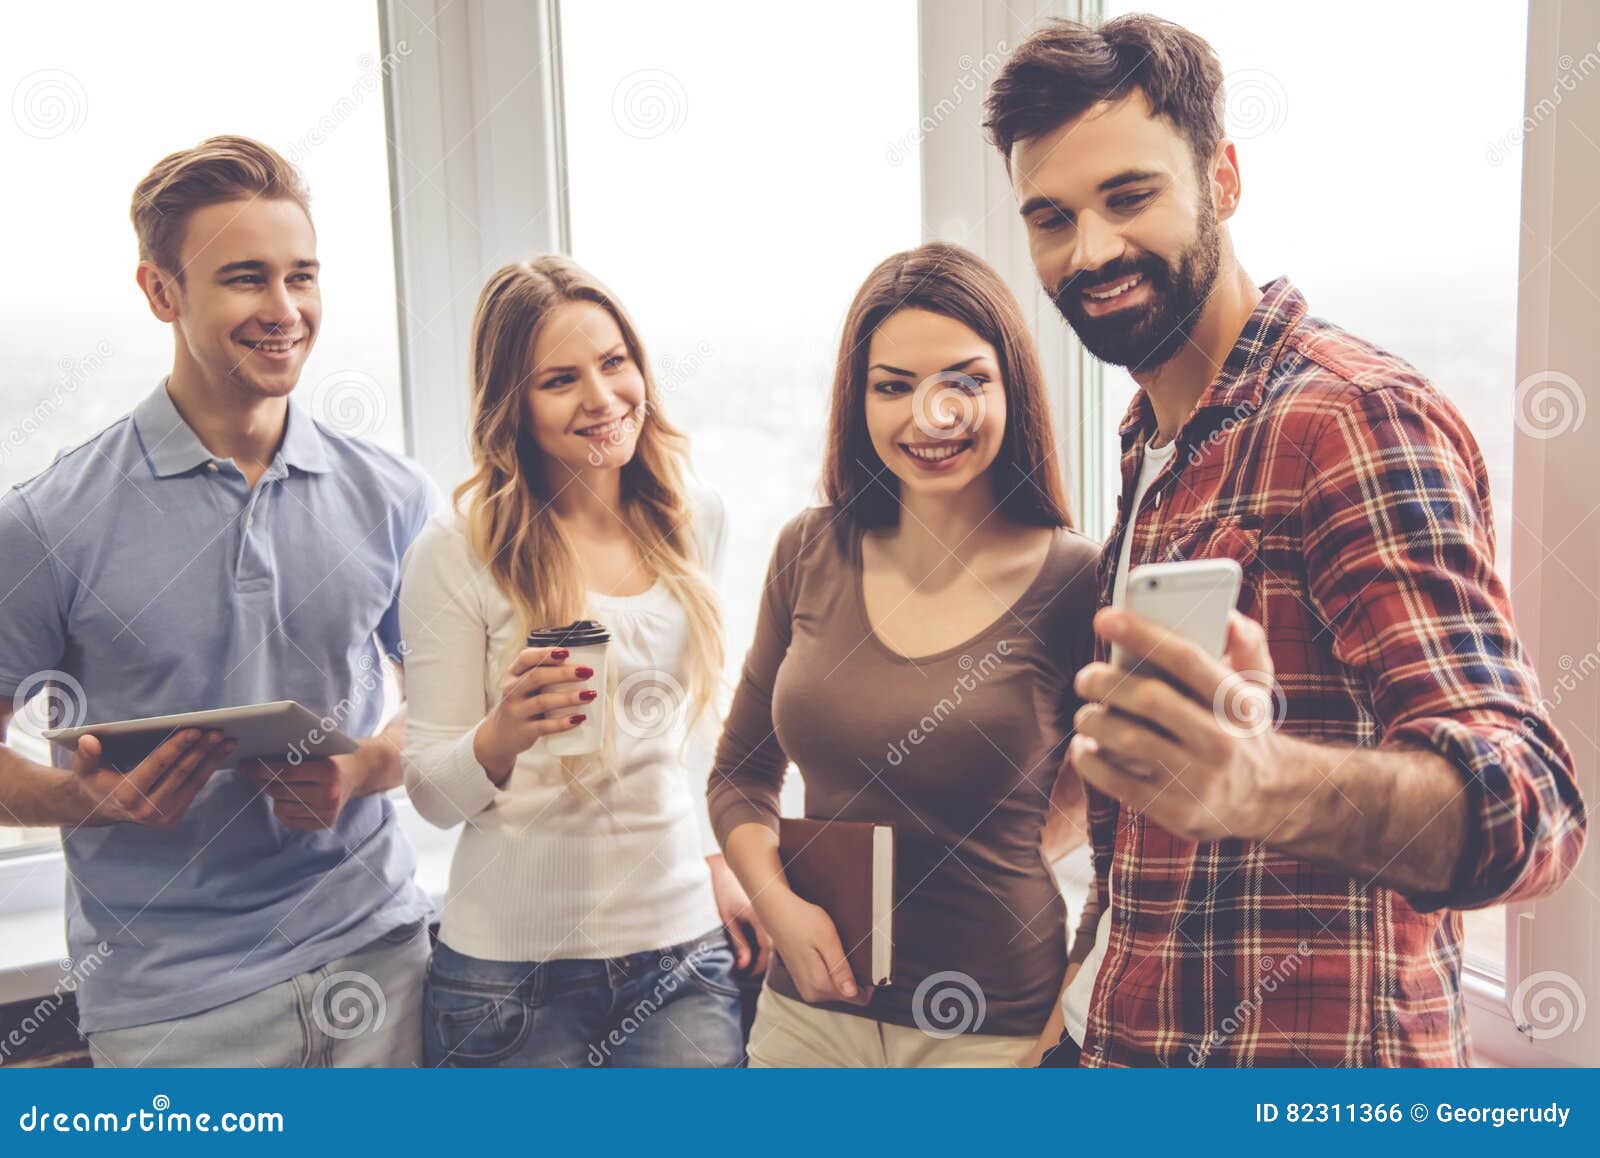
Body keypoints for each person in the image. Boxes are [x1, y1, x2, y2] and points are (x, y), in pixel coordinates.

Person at [985, 14, 1587, 1066]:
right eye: (1051, 218)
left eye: (1129, 197)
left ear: (1221, 178)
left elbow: (1530, 808)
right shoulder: (1151, 442)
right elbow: (1153, 832)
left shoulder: (1348, 418)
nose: (1090, 252)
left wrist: (1264, 785)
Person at [0, 136, 436, 1067]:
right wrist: (84, 799)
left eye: (301, 276)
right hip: (172, 1012)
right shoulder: (46, 522)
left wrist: (364, 768)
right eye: (246, 279)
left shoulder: (392, 493)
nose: (284, 310)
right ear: (161, 292)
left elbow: (447, 703)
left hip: (383, 965)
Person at [708, 243, 1099, 1067]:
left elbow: (1128, 827)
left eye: (965, 381)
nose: (932, 416)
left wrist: (1069, 1011)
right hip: (807, 1016)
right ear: (858, 402)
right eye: (893, 386)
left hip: (994, 1032)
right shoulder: (808, 549)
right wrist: (778, 906)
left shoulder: (1079, 580)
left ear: (1012, 389)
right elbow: (740, 775)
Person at [400, 256, 762, 1067]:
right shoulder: (458, 550)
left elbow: (693, 731)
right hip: (507, 980)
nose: (602, 398)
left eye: (613, 362)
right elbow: (428, 793)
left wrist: (718, 859)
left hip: (681, 955)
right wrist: (502, 733)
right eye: (560, 380)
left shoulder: (693, 516)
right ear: (514, 405)